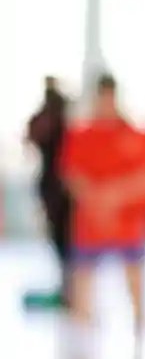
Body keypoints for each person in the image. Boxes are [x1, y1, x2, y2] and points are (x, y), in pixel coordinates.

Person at [61, 73, 145, 359]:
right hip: (91, 222)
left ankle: (140, 336)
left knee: (135, 280)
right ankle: (81, 340)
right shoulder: (81, 134)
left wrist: (117, 195)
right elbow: (71, 175)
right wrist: (97, 199)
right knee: (83, 279)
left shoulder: (133, 134)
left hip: (127, 223)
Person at [25, 76, 72, 308]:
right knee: (60, 240)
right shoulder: (47, 118)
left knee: (65, 241)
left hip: (63, 187)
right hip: (53, 186)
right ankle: (66, 287)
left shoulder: (63, 118)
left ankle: (69, 287)